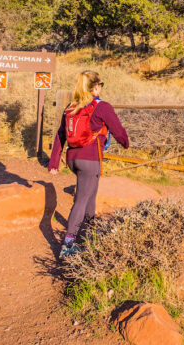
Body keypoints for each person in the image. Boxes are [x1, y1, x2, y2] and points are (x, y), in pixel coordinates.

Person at [48, 70, 129, 259]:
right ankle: (68, 244)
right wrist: (125, 142)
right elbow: (117, 129)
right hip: (90, 159)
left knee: (90, 196)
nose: (101, 88)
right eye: (100, 85)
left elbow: (61, 135)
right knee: (82, 200)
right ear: (96, 86)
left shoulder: (72, 106)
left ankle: (89, 235)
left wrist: (54, 162)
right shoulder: (101, 106)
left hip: (74, 159)